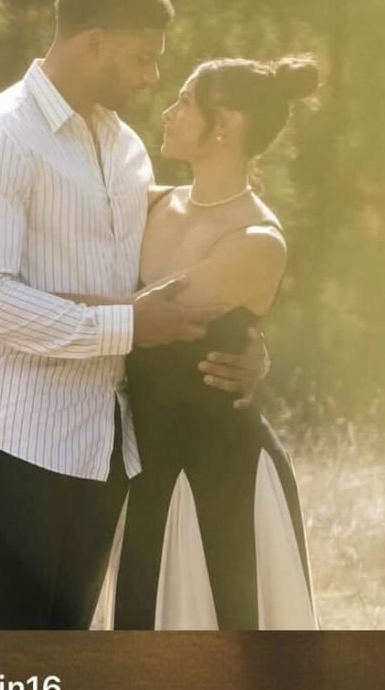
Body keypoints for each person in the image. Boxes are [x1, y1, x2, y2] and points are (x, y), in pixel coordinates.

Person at [0, 0, 266, 631]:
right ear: (93, 44)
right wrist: (126, 326)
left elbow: (192, 256)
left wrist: (248, 342)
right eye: (142, 58)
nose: (152, 77)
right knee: (11, 668)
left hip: (103, 447)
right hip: (15, 442)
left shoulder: (126, 150)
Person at [106, 57, 319, 629]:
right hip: (146, 466)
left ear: (223, 124)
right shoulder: (151, 202)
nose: (168, 112)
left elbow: (142, 316)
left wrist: (10, 310)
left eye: (184, 102)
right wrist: (1, 305)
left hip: (223, 476)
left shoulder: (258, 240)